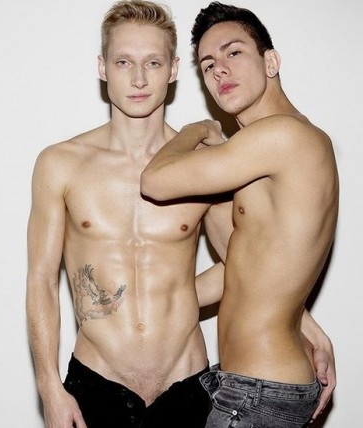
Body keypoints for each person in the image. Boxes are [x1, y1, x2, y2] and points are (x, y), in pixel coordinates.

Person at [26, 1, 336, 427]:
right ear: (103, 68)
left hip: (187, 384)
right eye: (123, 62)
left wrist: (304, 322)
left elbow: (244, 264)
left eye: (153, 63)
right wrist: (48, 386)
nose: (138, 79)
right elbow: (41, 279)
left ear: (173, 70)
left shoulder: (204, 166)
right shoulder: (60, 164)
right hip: (95, 381)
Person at [141, 2, 339, 427]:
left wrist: (198, 129)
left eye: (234, 52)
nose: (220, 71)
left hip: (257, 392)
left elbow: (155, 181)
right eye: (208, 64)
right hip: (254, 386)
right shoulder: (271, 152)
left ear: (271, 62)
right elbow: (246, 267)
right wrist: (155, 301)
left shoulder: (282, 135)